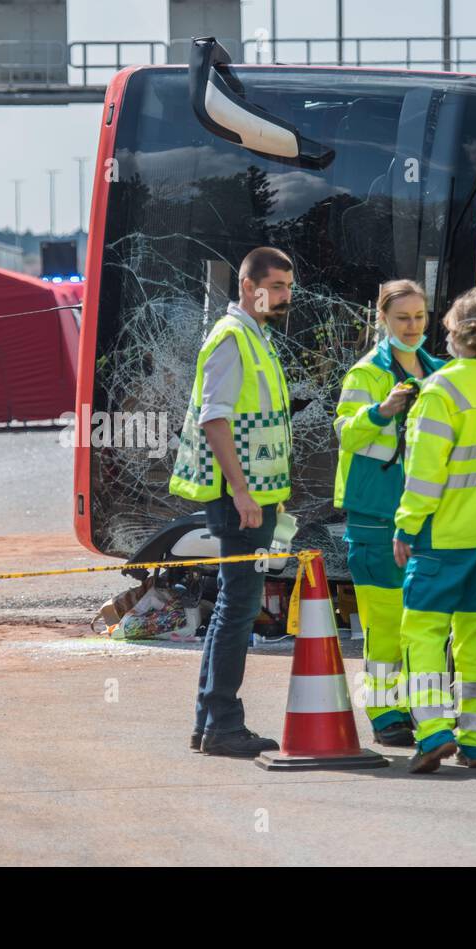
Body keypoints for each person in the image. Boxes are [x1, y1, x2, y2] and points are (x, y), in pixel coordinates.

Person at [170, 247, 295, 758]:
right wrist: (242, 491)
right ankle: (222, 723)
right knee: (237, 610)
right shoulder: (232, 338)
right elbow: (215, 419)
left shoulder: (253, 336)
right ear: (249, 285)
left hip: (254, 499)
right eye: (279, 286)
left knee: (232, 607)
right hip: (239, 501)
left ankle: (210, 723)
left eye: (289, 286)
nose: (287, 296)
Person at [392, 288, 476, 773]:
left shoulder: (440, 392)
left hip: (440, 538)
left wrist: (406, 526)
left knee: (423, 633)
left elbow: (425, 475)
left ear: (450, 332)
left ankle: (432, 732)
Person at [333, 279, 445, 746]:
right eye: (403, 318)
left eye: (419, 317)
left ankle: (429, 713)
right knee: (384, 624)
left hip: (425, 516)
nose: (413, 326)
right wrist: (381, 412)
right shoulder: (366, 375)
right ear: (383, 319)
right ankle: (385, 712)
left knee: (426, 622)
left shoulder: (440, 371)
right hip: (375, 515)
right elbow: (347, 433)